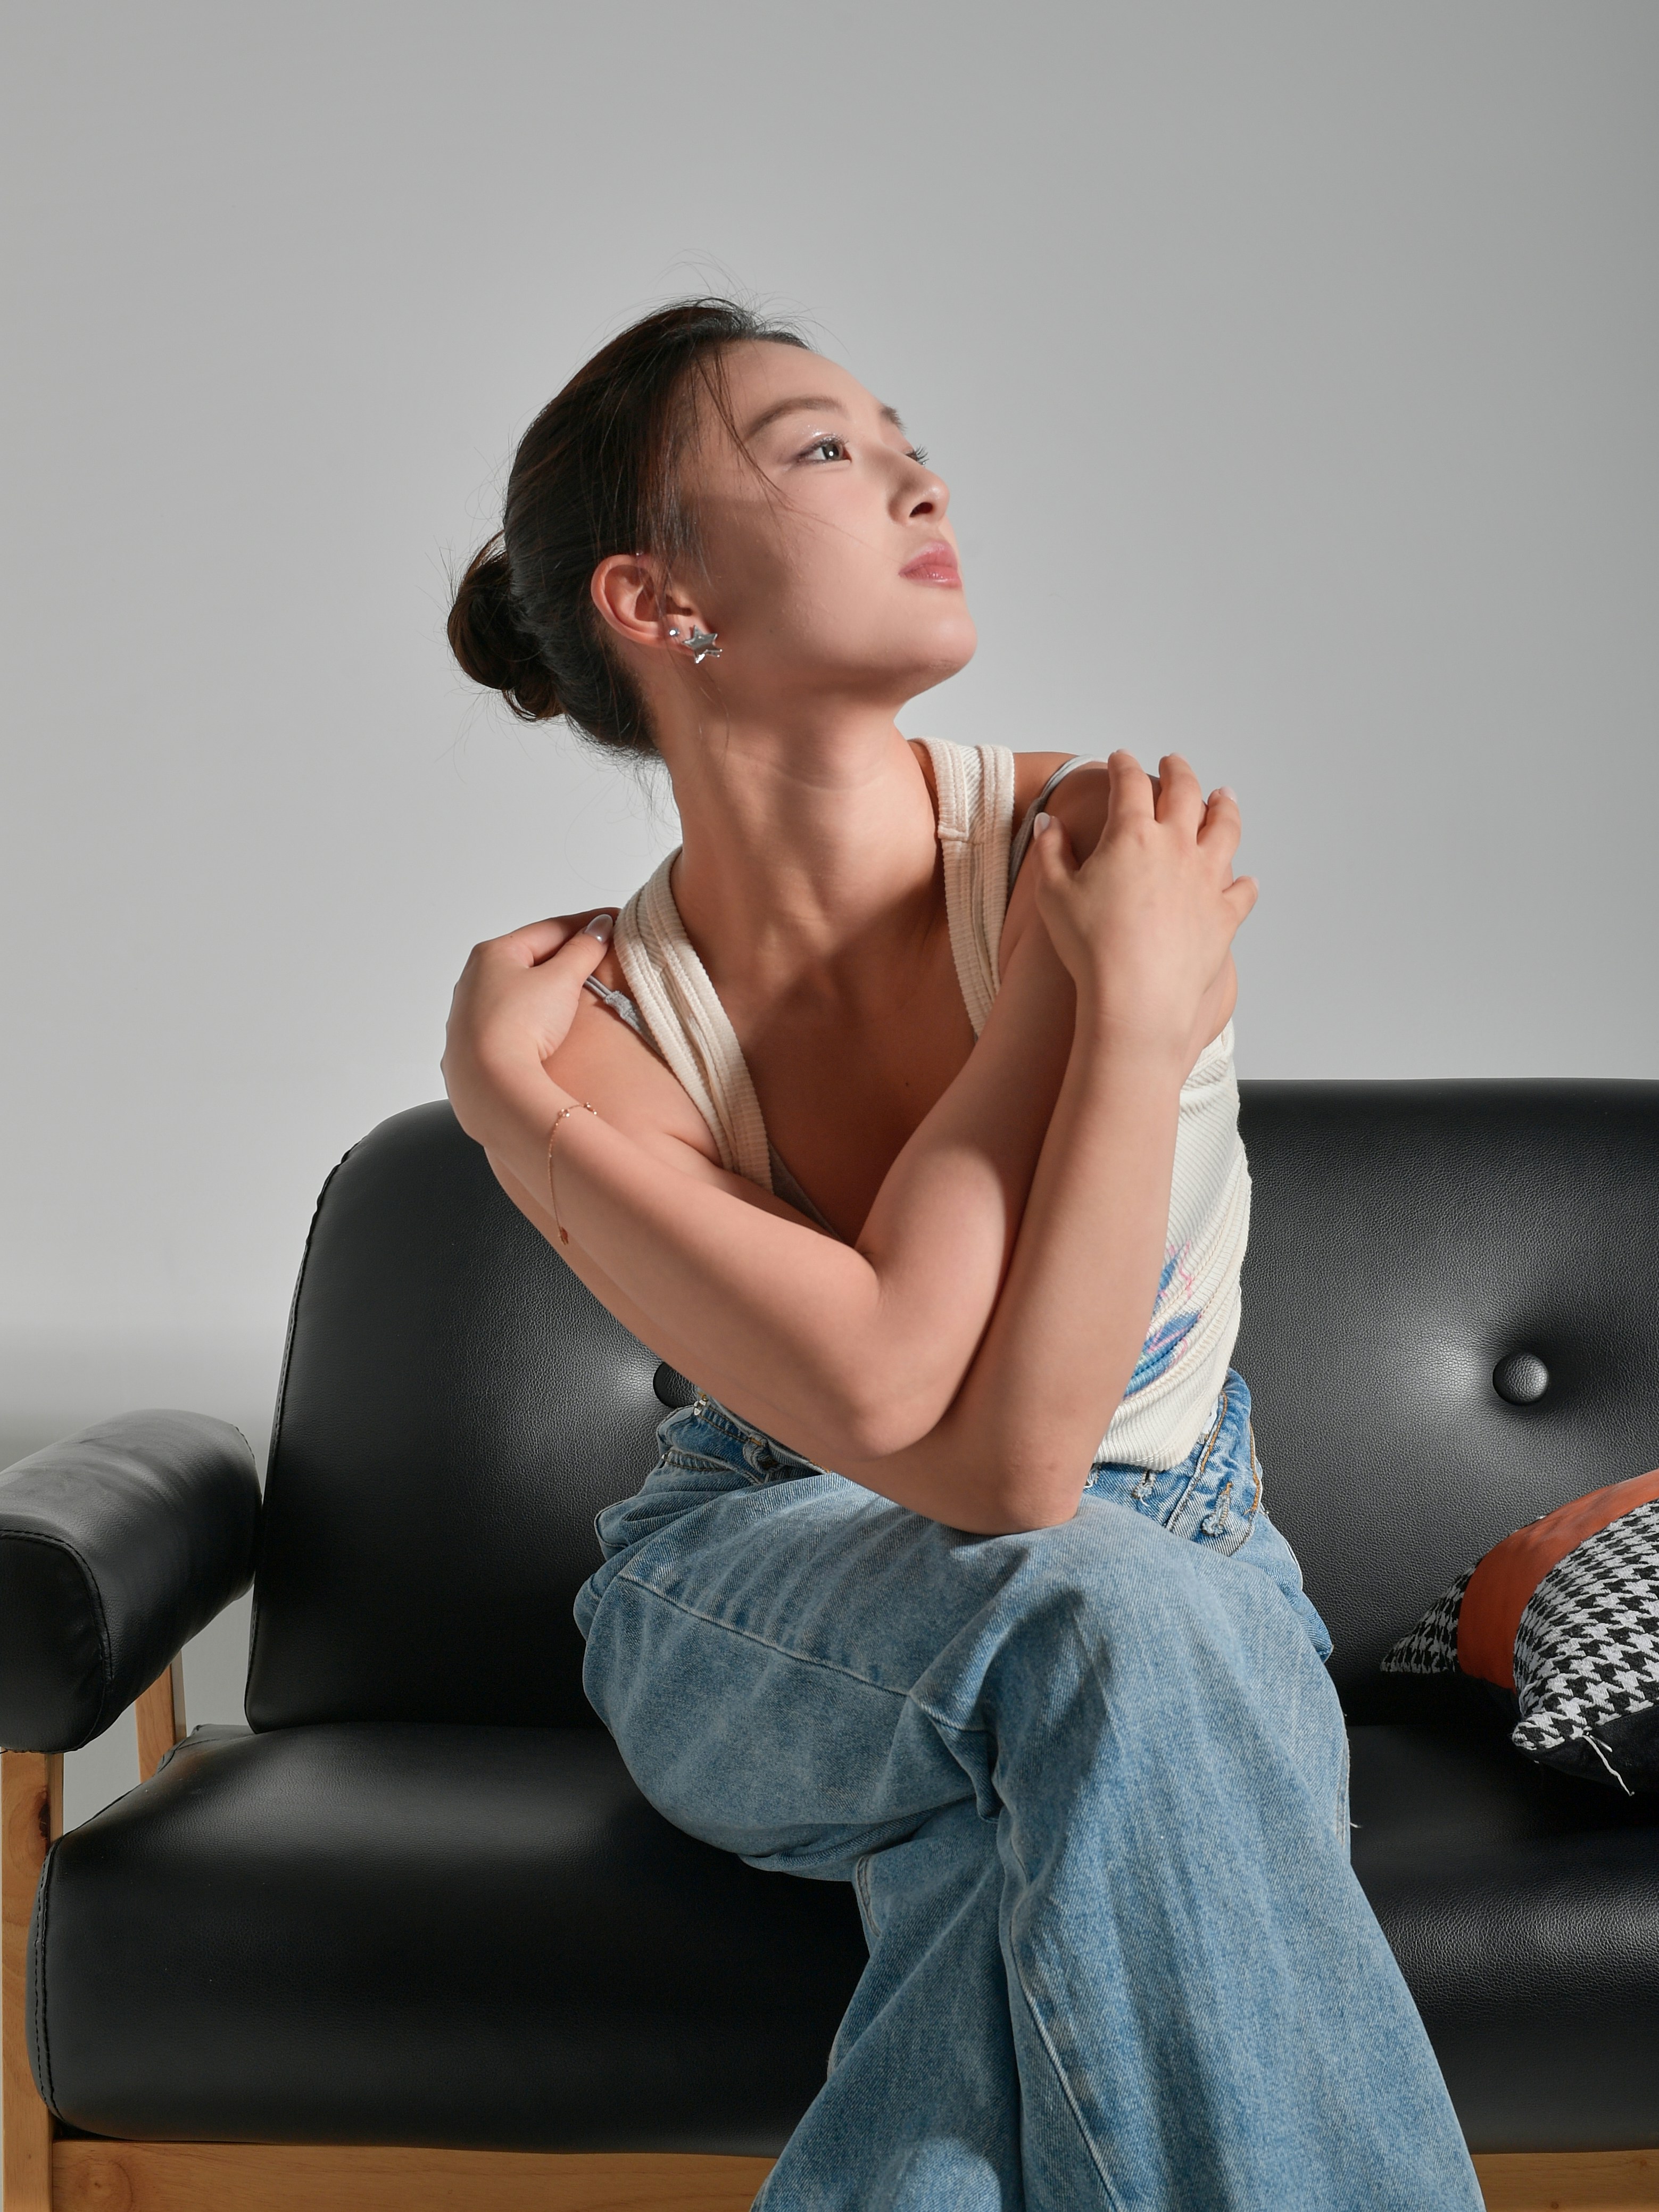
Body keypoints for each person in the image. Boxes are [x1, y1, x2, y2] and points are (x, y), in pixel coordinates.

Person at [439, 298, 1482, 2211]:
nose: (923, 475)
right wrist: (522, 1114)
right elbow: (984, 1466)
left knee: (1042, 1797)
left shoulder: (1094, 836)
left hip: (1178, 1559)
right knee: (1101, 1625)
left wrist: (523, 1118)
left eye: (899, 435)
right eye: (823, 448)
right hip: (760, 1595)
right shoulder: (596, 1033)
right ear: (660, 601)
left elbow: (1026, 1462)